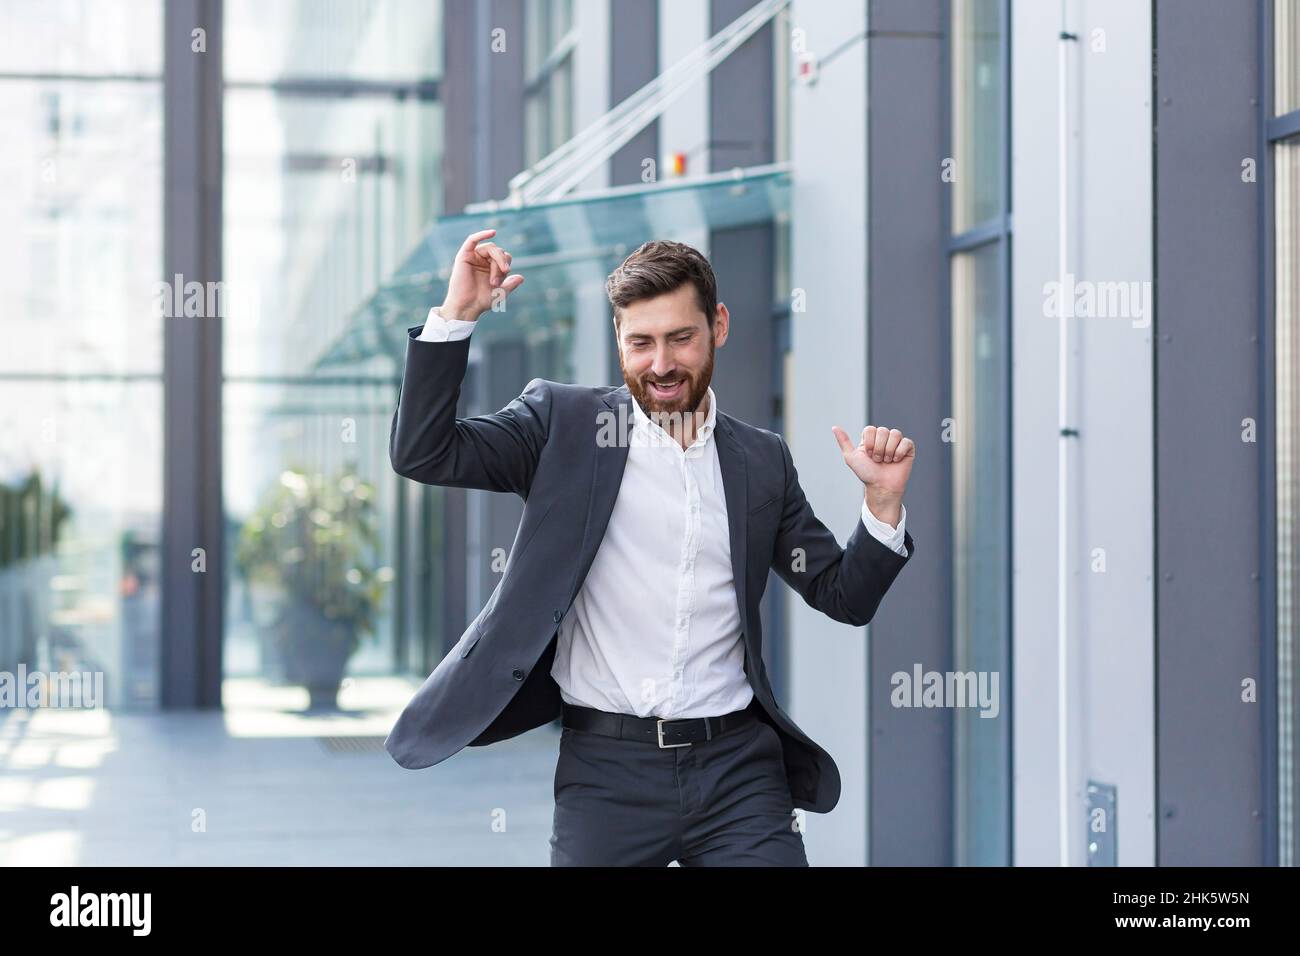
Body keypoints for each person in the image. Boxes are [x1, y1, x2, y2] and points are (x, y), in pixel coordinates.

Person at [385, 228, 916, 865]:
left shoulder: (761, 461)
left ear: (718, 325)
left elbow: (843, 595)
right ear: (619, 341)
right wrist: (456, 319)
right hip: (606, 774)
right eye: (640, 342)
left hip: (738, 773)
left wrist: (882, 504)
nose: (660, 364)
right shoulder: (564, 427)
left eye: (680, 338)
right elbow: (423, 451)